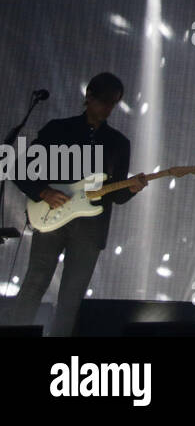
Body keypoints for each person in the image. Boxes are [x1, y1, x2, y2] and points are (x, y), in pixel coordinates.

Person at [11, 73, 148, 335]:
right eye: (104, 101)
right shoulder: (57, 129)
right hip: (50, 215)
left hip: (90, 227)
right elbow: (20, 170)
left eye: (113, 103)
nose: (108, 108)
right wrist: (44, 191)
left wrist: (131, 188)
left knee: (72, 297)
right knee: (35, 282)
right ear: (89, 97)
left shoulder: (119, 143)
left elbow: (115, 195)